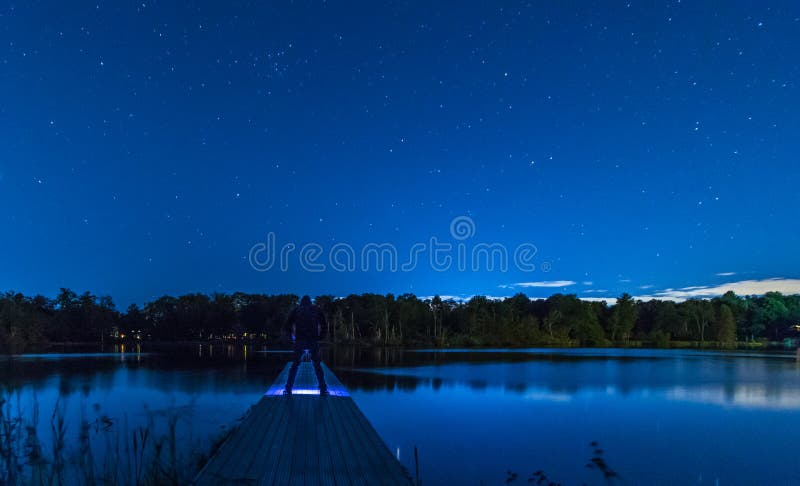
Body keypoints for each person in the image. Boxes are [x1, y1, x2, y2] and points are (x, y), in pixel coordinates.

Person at [284, 295, 328, 395]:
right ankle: (323, 388)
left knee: (295, 365)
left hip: (300, 340)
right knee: (317, 365)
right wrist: (321, 336)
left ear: (301, 302)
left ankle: (288, 388)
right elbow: (324, 324)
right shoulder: (316, 310)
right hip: (313, 340)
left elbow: (287, 324)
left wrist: (291, 336)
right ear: (310, 302)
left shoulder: (296, 310)